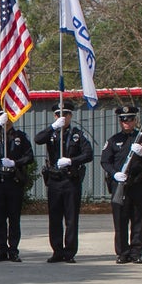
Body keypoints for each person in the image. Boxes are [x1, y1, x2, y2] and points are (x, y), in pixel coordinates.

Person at [100, 103, 142, 264]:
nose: (126, 123)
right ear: (120, 121)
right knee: (120, 220)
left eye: (130, 120)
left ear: (135, 120)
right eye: (123, 120)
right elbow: (105, 161)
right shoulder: (114, 140)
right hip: (120, 185)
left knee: (139, 220)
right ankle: (122, 253)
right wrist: (115, 174)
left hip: (139, 184)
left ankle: (136, 253)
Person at [34, 100, 93, 263]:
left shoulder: (77, 134)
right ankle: (57, 251)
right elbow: (38, 139)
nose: (62, 117)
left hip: (70, 180)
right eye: (58, 114)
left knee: (71, 218)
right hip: (54, 180)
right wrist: (53, 127)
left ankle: (69, 252)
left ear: (70, 116)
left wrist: (71, 161)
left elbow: (88, 154)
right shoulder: (51, 133)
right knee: (54, 218)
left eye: (65, 114)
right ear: (55, 116)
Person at [0, 111, 34, 262]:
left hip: (13, 181)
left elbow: (29, 156)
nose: (6, 119)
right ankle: (1, 250)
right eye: (2, 115)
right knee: (0, 218)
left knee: (14, 217)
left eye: (7, 116)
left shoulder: (20, 136)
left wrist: (15, 163)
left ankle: (13, 250)